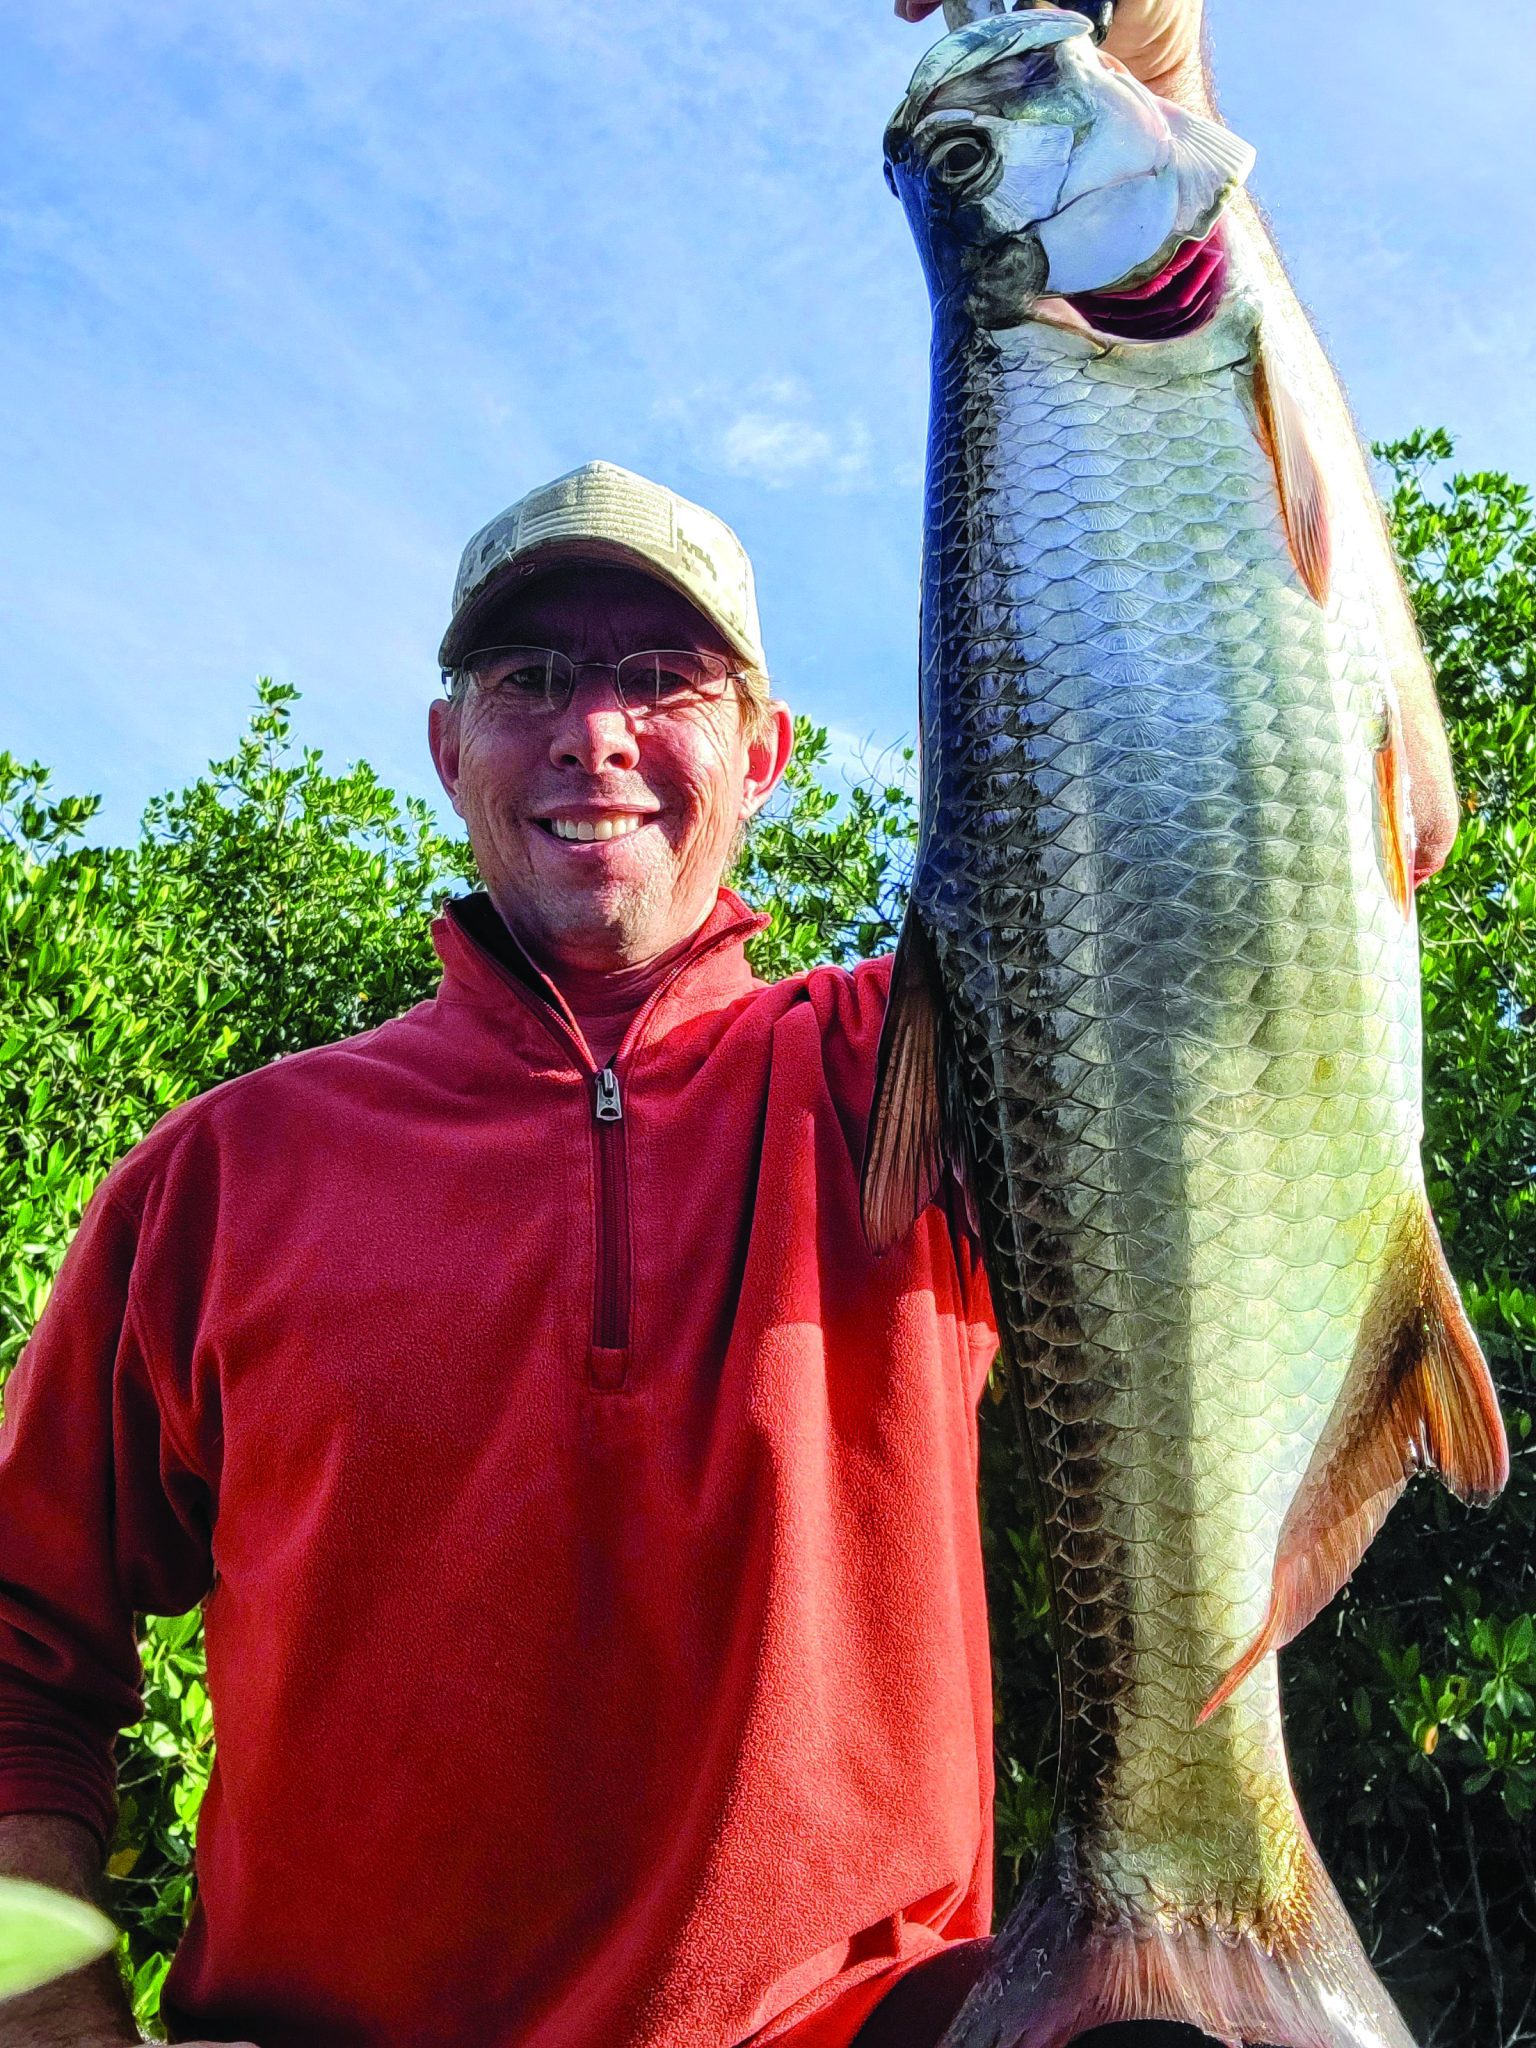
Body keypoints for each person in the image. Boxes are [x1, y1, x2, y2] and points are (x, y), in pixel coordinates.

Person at [0, 9, 1459, 2048]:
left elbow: (1230, 807)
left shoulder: (905, 1072)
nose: (594, 730)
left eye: (662, 679)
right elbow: (18, 1645)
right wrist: (42, 1997)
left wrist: (1170, 94)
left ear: (765, 751)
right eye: (530, 675)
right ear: (446, 746)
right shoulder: (218, 1178)